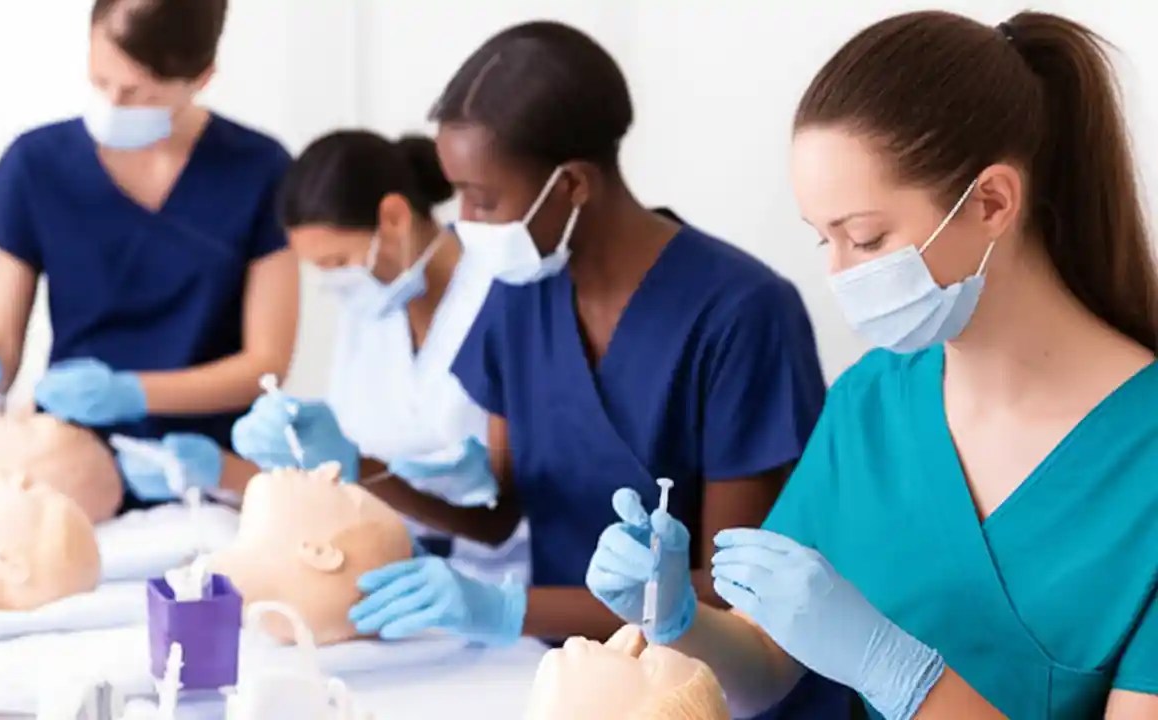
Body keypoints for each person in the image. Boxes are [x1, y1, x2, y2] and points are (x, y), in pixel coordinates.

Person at [235, 21, 841, 716]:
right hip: (571, 674)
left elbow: (734, 590)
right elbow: (496, 515)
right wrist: (361, 466)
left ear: (572, 183)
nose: (465, 222)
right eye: (458, 195)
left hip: (702, 690)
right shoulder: (519, 297)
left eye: (484, 199)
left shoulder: (742, 314)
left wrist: (506, 608)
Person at [585, 10, 1158, 719]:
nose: (837, 274)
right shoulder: (870, 403)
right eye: (821, 238)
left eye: (864, 238)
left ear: (991, 202)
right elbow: (764, 666)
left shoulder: (1144, 458)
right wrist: (677, 617)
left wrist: (897, 672)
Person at [0, 0, 296, 509]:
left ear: (202, 78)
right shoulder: (37, 163)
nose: (114, 102)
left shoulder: (260, 170)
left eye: (140, 93)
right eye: (100, 80)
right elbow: (1, 336)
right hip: (67, 462)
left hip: (204, 471)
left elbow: (266, 364)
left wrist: (131, 392)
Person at [234, 129, 528, 582]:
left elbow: (497, 520)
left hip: (500, 577)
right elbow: (349, 433)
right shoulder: (369, 307)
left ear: (393, 218)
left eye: (337, 262)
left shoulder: (502, 296)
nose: (333, 283)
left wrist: (364, 470)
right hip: (386, 558)